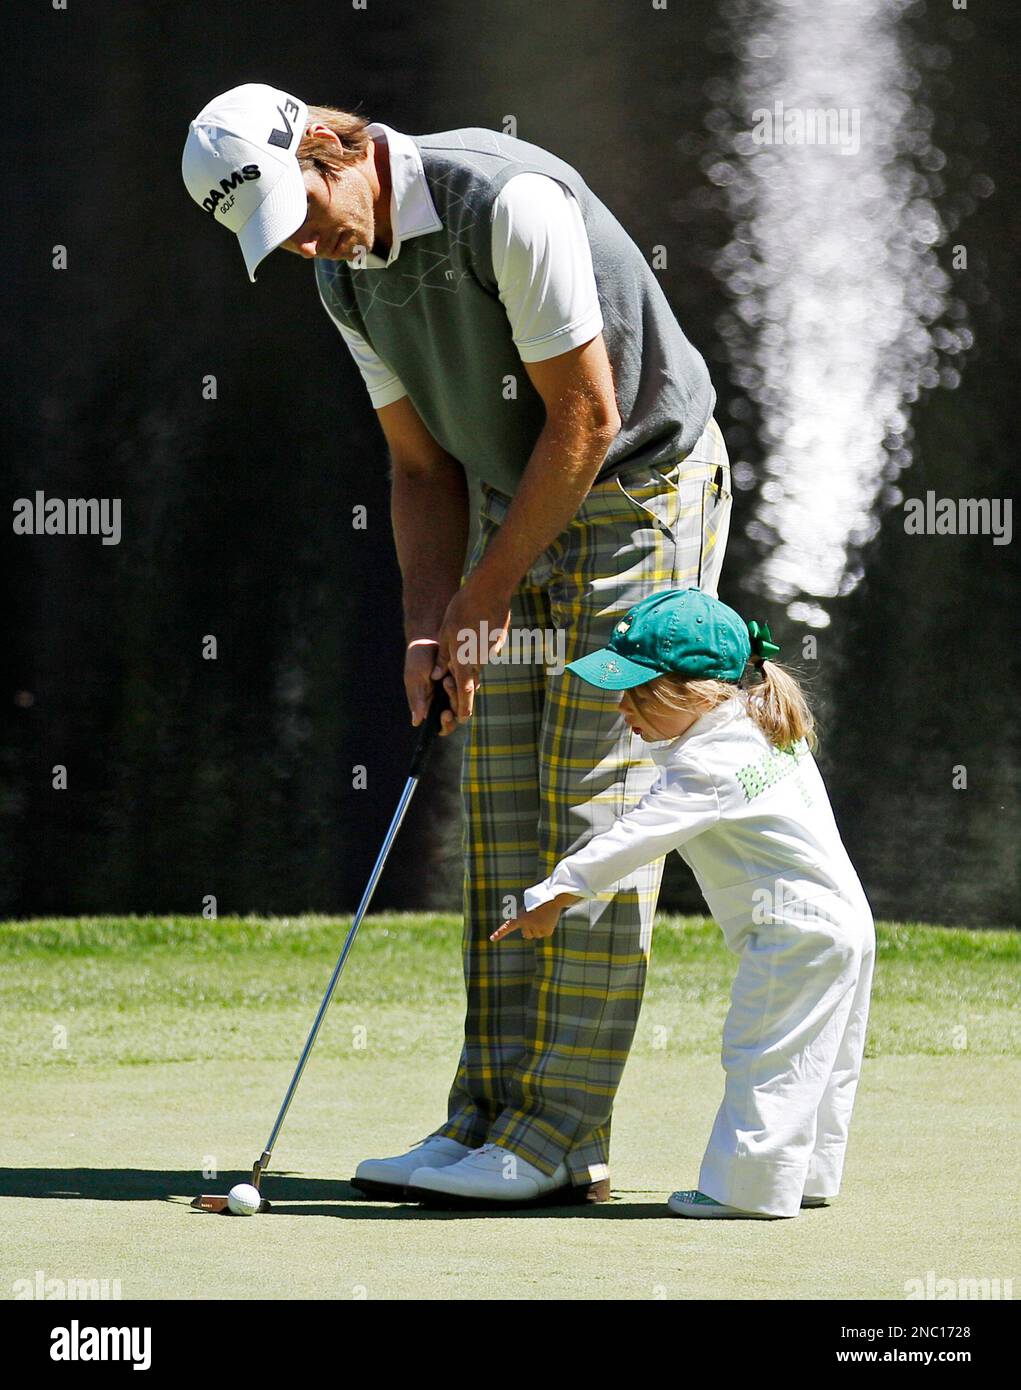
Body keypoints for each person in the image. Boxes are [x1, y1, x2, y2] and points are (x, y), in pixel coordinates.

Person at [182, 84, 732, 1205]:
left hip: (638, 493)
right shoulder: (340, 275)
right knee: (499, 813)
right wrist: (428, 627)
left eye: (302, 204)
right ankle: (484, 1115)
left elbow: (584, 418)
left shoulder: (506, 202)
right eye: (273, 231)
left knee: (593, 805)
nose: (299, 240)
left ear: (334, 145)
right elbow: (421, 469)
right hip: (506, 503)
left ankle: (560, 1136)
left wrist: (483, 592)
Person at [487, 588, 875, 1219]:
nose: (623, 708)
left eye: (640, 695)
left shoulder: (705, 765)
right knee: (823, 1054)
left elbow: (636, 834)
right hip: (844, 924)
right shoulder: (761, 722)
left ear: (691, 694)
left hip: (793, 933)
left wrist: (551, 895)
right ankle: (807, 1174)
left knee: (762, 1050)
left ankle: (747, 1191)